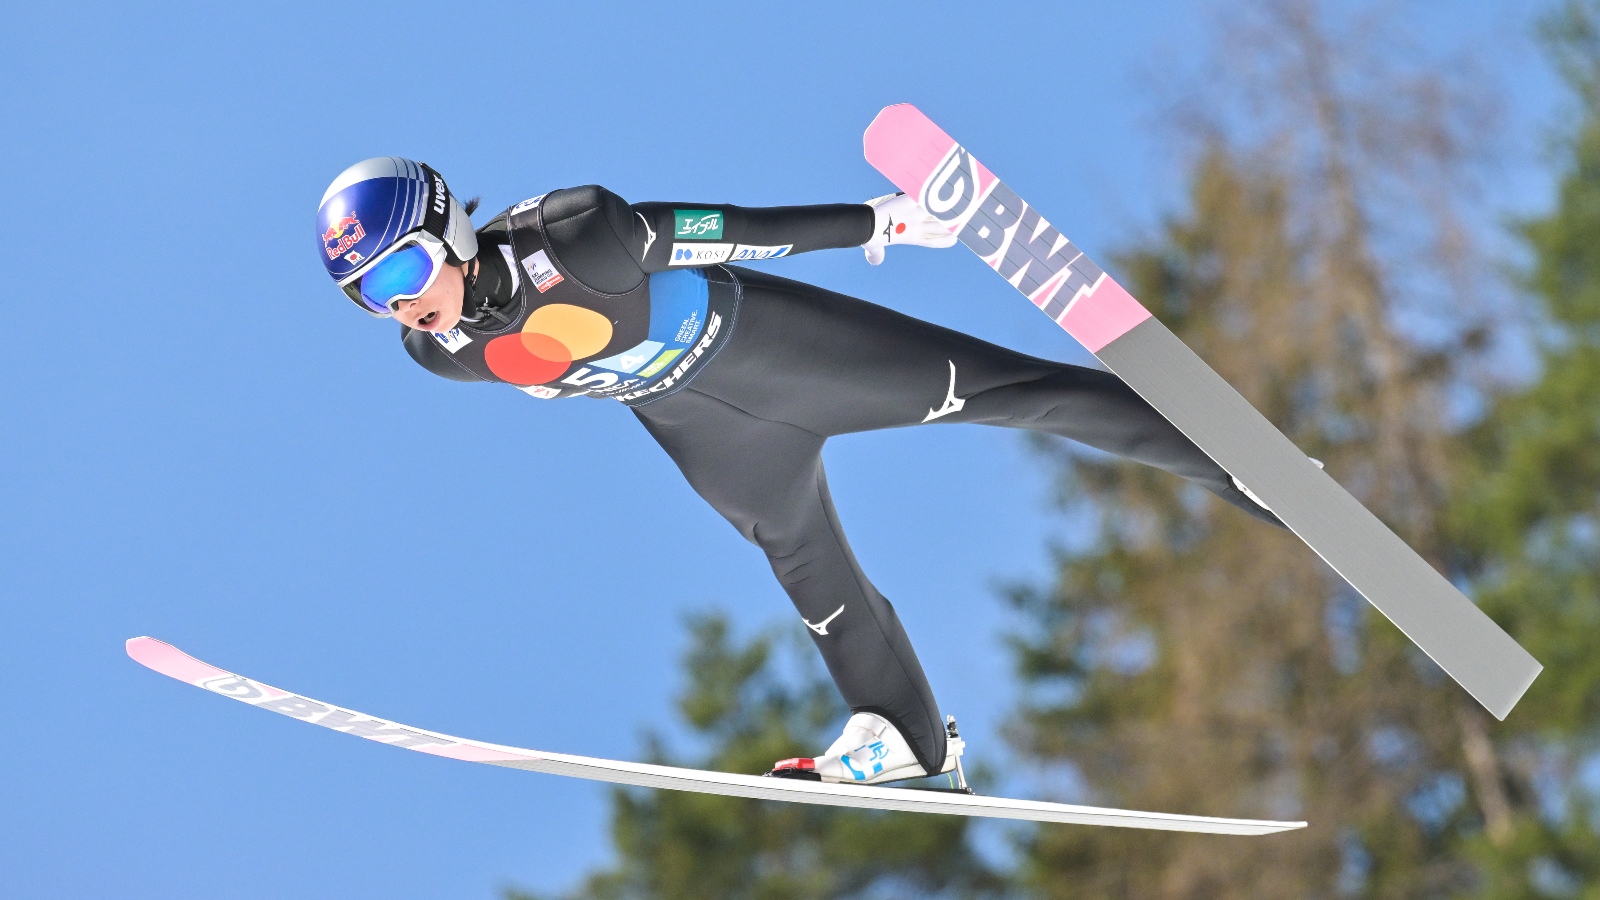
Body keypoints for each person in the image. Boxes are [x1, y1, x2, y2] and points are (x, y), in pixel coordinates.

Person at [315, 157, 1282, 786]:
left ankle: (1245, 468)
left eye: (402, 276)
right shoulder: (439, 355)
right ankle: (906, 738)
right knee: (802, 557)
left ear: (447, 231)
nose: (401, 309)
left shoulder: (574, 235)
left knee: (1015, 392)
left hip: (780, 351)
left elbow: (727, 228)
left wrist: (879, 224)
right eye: (370, 300)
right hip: (710, 430)